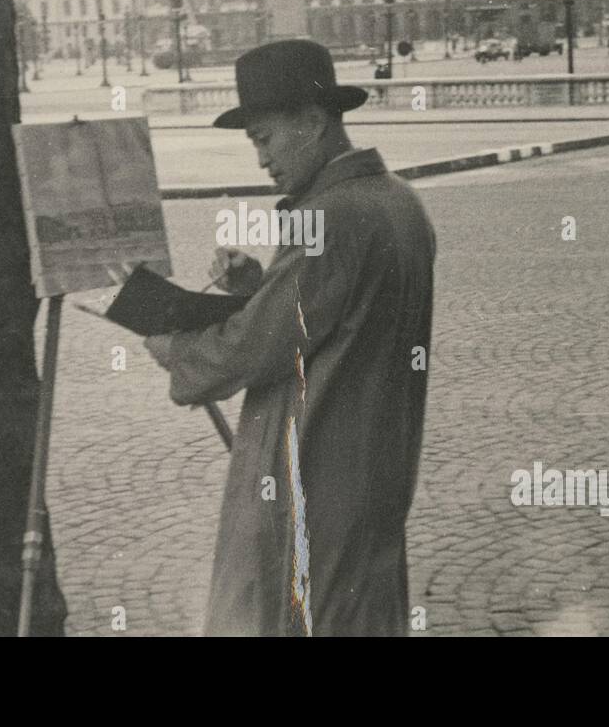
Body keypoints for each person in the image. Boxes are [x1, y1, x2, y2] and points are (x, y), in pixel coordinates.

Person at [143, 39, 437, 636]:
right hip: (375, 469)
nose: (260, 159)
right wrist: (261, 286)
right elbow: (335, 318)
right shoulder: (397, 201)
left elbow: (255, 347)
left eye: (264, 137)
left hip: (317, 474)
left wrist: (170, 346)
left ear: (312, 121)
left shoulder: (330, 218)